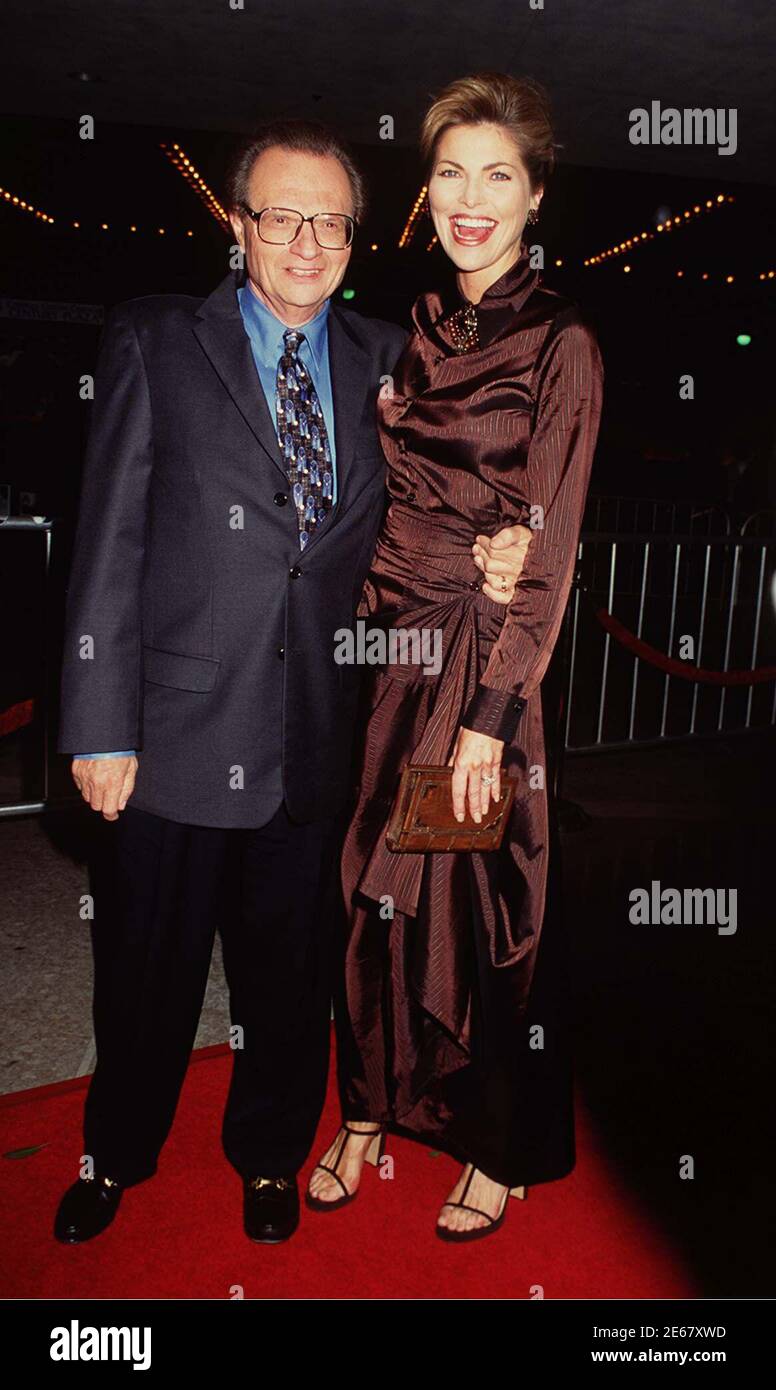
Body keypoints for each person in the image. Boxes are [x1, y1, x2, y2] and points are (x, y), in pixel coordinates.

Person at [54, 119, 530, 1246]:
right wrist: (95, 727)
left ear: (355, 236)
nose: (306, 241)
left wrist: (500, 548)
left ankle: (268, 1154)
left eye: (329, 220)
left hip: (316, 733)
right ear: (237, 227)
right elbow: (107, 544)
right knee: (143, 979)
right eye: (281, 215)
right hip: (167, 734)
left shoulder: (386, 360)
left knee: (287, 979)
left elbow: (433, 509)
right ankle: (114, 1154)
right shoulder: (156, 341)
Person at [307, 74, 604, 1240]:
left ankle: (493, 1143)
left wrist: (488, 716)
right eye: (447, 173)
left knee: (467, 909)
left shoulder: (561, 341)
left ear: (533, 197)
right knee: (362, 897)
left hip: (477, 673)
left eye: (496, 176)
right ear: (422, 190)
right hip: (386, 651)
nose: (467, 199)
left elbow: (553, 540)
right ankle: (369, 1110)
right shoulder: (420, 324)